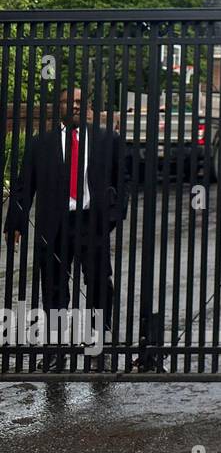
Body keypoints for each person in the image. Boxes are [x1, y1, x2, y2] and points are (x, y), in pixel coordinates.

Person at [5, 87, 129, 371]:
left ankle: (97, 342)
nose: (73, 106)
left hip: (91, 222)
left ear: (86, 105)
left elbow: (123, 180)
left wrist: (113, 216)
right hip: (54, 224)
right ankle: (55, 348)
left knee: (99, 284)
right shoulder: (41, 144)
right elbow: (24, 185)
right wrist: (16, 222)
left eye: (77, 101)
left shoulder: (106, 139)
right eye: (66, 102)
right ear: (56, 107)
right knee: (54, 288)